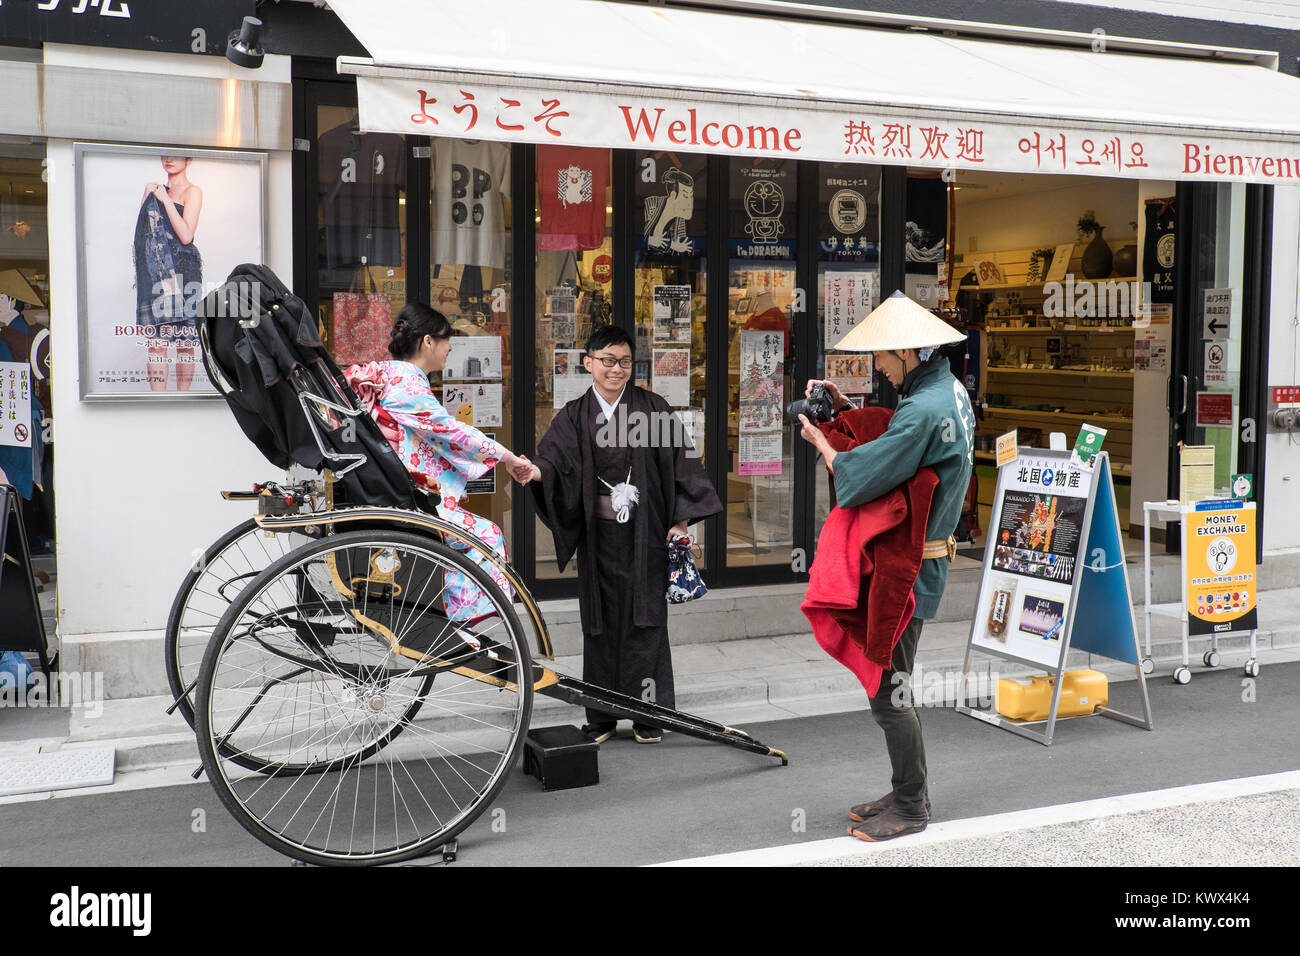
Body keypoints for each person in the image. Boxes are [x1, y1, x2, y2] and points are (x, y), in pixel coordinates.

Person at [798, 291, 973, 841]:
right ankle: (903, 788)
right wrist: (843, 409)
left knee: (889, 689)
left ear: (909, 352)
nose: (876, 365)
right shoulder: (946, 390)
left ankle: (913, 803)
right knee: (891, 682)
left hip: (910, 569)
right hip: (921, 559)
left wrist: (824, 445)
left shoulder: (925, 406)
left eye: (882, 355)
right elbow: (897, 444)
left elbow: (864, 475)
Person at [523, 325, 721, 744]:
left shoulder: (653, 409)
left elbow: (682, 465)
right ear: (588, 362)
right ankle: (602, 718)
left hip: (646, 534)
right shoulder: (574, 414)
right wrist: (536, 472)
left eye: (625, 361)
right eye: (608, 360)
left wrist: (681, 521)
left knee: (646, 621)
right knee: (600, 625)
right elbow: (553, 462)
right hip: (599, 538)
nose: (617, 369)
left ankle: (649, 717)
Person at [345, 303, 535, 623]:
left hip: (400, 489)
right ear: (428, 342)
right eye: (447, 340)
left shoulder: (391, 375)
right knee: (487, 537)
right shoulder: (405, 382)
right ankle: (456, 620)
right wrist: (506, 456)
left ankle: (446, 613)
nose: (450, 348)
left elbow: (435, 432)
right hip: (408, 503)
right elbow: (448, 430)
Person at [135, 156, 203, 391]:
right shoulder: (155, 190)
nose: (169, 159)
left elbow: (186, 236)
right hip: (155, 274)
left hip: (184, 270)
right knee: (156, 342)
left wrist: (165, 201)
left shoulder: (193, 191)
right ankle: (157, 403)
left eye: (175, 154)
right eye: (165, 154)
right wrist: (148, 196)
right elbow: (143, 234)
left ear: (188, 159)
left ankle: (182, 401)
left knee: (185, 343)